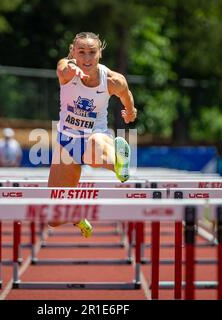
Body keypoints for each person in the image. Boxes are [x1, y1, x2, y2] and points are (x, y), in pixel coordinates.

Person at [48, 32, 137, 238]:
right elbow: (63, 69)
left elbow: (126, 94)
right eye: (82, 52)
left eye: (92, 52)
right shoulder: (66, 70)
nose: (87, 58)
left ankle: (117, 160)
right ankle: (76, 214)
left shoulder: (113, 80)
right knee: (53, 218)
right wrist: (71, 68)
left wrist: (130, 111)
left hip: (96, 135)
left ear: (100, 54)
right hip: (66, 142)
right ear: (73, 52)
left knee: (94, 147)